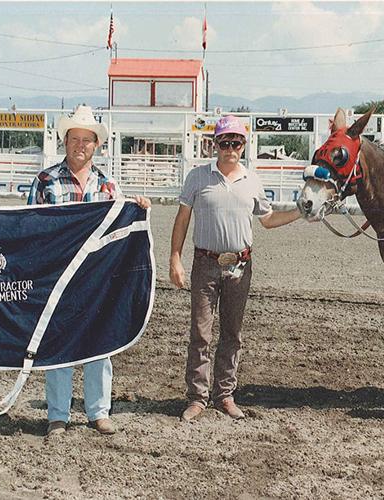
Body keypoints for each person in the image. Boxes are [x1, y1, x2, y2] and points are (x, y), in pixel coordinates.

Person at [26, 105, 150, 438]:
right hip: (58, 277)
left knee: (100, 342)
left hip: (97, 279)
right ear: (65, 141)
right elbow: (30, 229)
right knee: (58, 343)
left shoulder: (109, 186)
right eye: (75, 139)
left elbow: (120, 232)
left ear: (96, 145)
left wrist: (137, 210)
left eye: (87, 140)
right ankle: (58, 414)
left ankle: (98, 411)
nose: (80, 145)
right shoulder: (45, 182)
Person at [170, 115, 302, 422]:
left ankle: (225, 395)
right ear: (215, 145)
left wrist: (299, 212)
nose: (230, 148)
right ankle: (197, 397)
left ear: (243, 146)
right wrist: (175, 257)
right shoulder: (197, 177)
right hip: (205, 263)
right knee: (201, 332)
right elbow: (182, 219)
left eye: (236, 143)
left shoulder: (252, 180)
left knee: (232, 332)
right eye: (225, 142)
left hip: (241, 265)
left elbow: (268, 219)